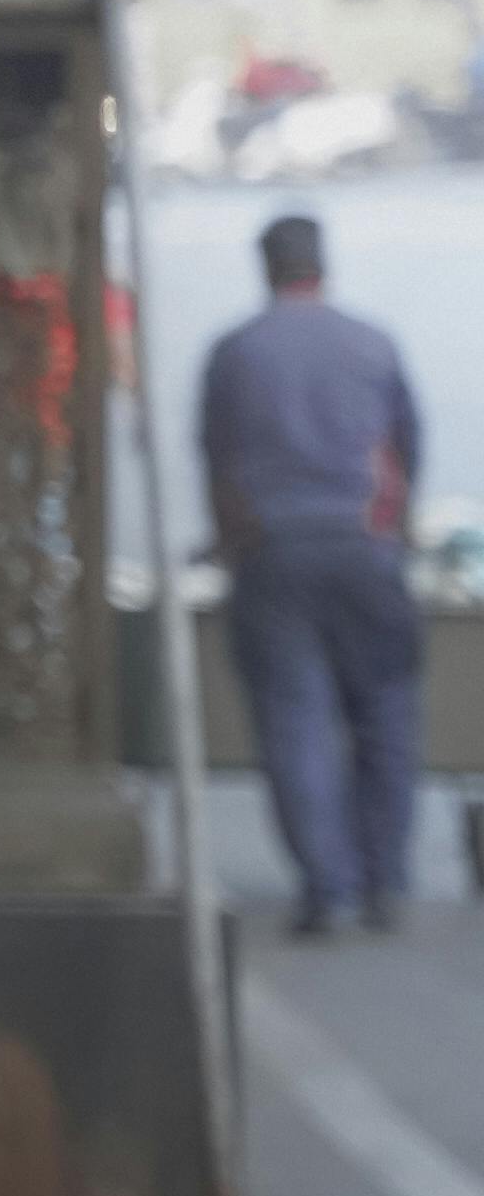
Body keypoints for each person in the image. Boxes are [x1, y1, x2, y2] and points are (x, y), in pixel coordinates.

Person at [198, 213, 424, 940]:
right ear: (321, 265)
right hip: (365, 549)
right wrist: (397, 531)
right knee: (385, 714)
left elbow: (218, 462)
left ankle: (325, 884)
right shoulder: (373, 342)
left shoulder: (236, 352)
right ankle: (382, 878)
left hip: (273, 554)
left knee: (294, 722)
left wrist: (232, 544)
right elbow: (406, 450)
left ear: (266, 268)